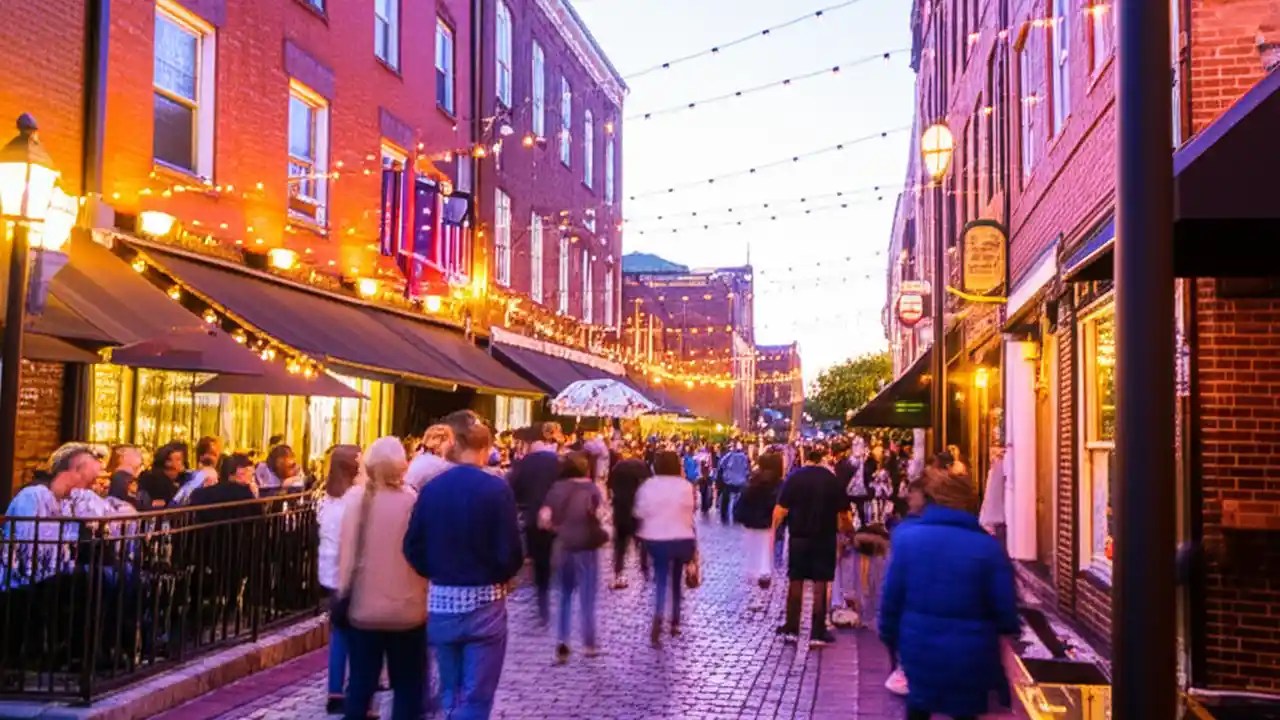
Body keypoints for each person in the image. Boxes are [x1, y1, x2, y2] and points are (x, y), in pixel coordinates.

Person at [404, 410, 523, 720]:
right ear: (485, 449)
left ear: (453, 444)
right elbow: (511, 551)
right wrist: (500, 574)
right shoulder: (496, 489)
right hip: (485, 600)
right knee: (477, 696)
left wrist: (437, 570)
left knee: (450, 691)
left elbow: (412, 546)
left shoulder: (433, 489)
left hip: (443, 599)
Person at [879, 468, 1019, 720]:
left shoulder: (907, 539)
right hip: (971, 654)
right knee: (965, 710)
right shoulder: (987, 547)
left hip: (918, 647)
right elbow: (1005, 610)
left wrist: (890, 637)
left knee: (918, 704)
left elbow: (891, 598)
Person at [338, 436, 426, 720]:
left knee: (361, 684)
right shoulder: (413, 501)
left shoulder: (356, 501)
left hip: (364, 608)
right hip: (408, 609)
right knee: (408, 686)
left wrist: (342, 592)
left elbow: (345, 557)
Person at [772, 444, 852, 647]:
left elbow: (780, 510)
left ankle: (791, 628)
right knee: (820, 583)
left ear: (806, 458)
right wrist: (847, 533)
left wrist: (773, 533)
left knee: (796, 580)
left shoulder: (794, 478)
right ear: (822, 459)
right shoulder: (831, 480)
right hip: (825, 537)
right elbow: (844, 513)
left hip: (799, 537)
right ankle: (817, 631)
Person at [540, 452, 607, 663]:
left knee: (565, 596)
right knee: (587, 597)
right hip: (587, 545)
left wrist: (558, 527)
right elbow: (601, 515)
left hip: (564, 546)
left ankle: (563, 641)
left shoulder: (556, 489)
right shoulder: (591, 488)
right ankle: (588, 643)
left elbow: (544, 520)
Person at [633, 450, 697, 648]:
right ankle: (675, 620)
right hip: (682, 538)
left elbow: (639, 511)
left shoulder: (648, 486)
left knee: (660, 577)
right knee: (677, 580)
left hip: (656, 538)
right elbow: (692, 510)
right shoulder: (686, 486)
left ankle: (659, 615)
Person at [316, 444, 363, 714]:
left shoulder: (327, 497)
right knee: (358, 635)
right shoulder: (355, 498)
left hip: (331, 575)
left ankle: (335, 688)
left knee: (340, 634)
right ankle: (357, 689)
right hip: (351, 573)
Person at [506, 421, 564, 624]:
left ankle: (541, 595)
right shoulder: (557, 461)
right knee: (549, 553)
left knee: (538, 557)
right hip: (554, 515)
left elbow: (512, 488)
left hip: (532, 516)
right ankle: (548, 587)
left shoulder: (524, 463)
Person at [735, 451, 783, 589]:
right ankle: (765, 578)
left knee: (754, 551)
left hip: (752, 523)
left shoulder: (752, 481)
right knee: (768, 553)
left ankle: (755, 577)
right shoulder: (778, 484)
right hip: (770, 524)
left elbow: (742, 502)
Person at [607, 444, 652, 589]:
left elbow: (610, 487)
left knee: (620, 545)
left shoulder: (617, 468)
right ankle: (645, 569)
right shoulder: (643, 468)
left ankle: (618, 571)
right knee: (642, 542)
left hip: (621, 511)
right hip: (638, 511)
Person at [406, 424, 453, 491]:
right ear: (440, 440)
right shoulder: (439, 465)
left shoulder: (419, 458)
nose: (452, 445)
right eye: (450, 441)